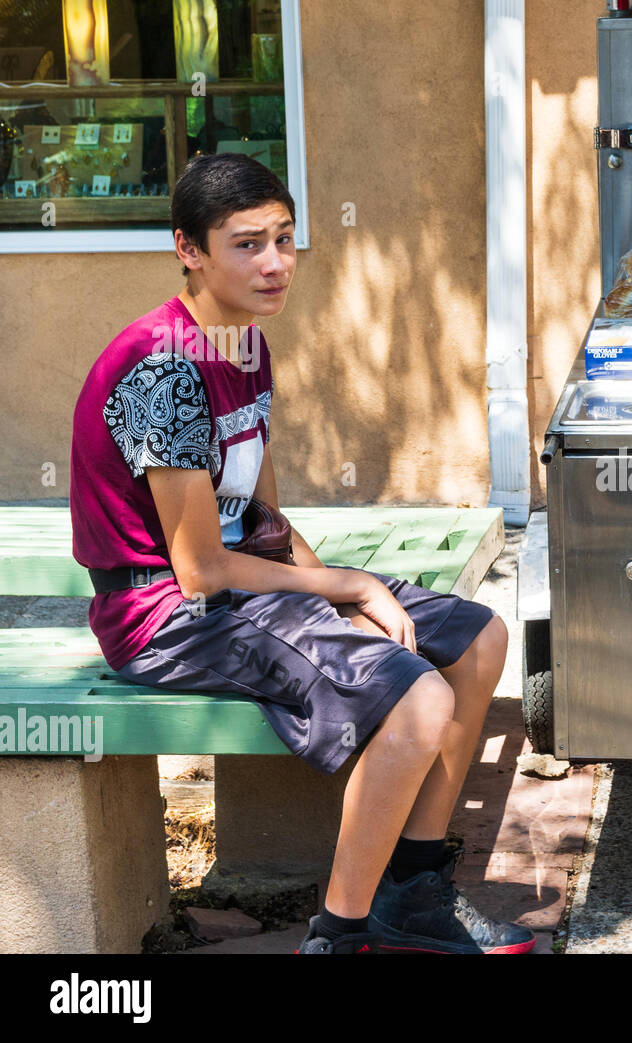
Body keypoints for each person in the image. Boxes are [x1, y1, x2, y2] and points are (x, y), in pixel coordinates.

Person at [69, 153, 533, 955]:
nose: (276, 262)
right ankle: (338, 933)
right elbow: (202, 569)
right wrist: (348, 583)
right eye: (247, 244)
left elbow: (266, 519)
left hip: (239, 591)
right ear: (190, 249)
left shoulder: (245, 346)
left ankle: (413, 891)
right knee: (419, 698)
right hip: (165, 614)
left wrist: (339, 593)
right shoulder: (164, 371)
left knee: (477, 637)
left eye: (285, 238)